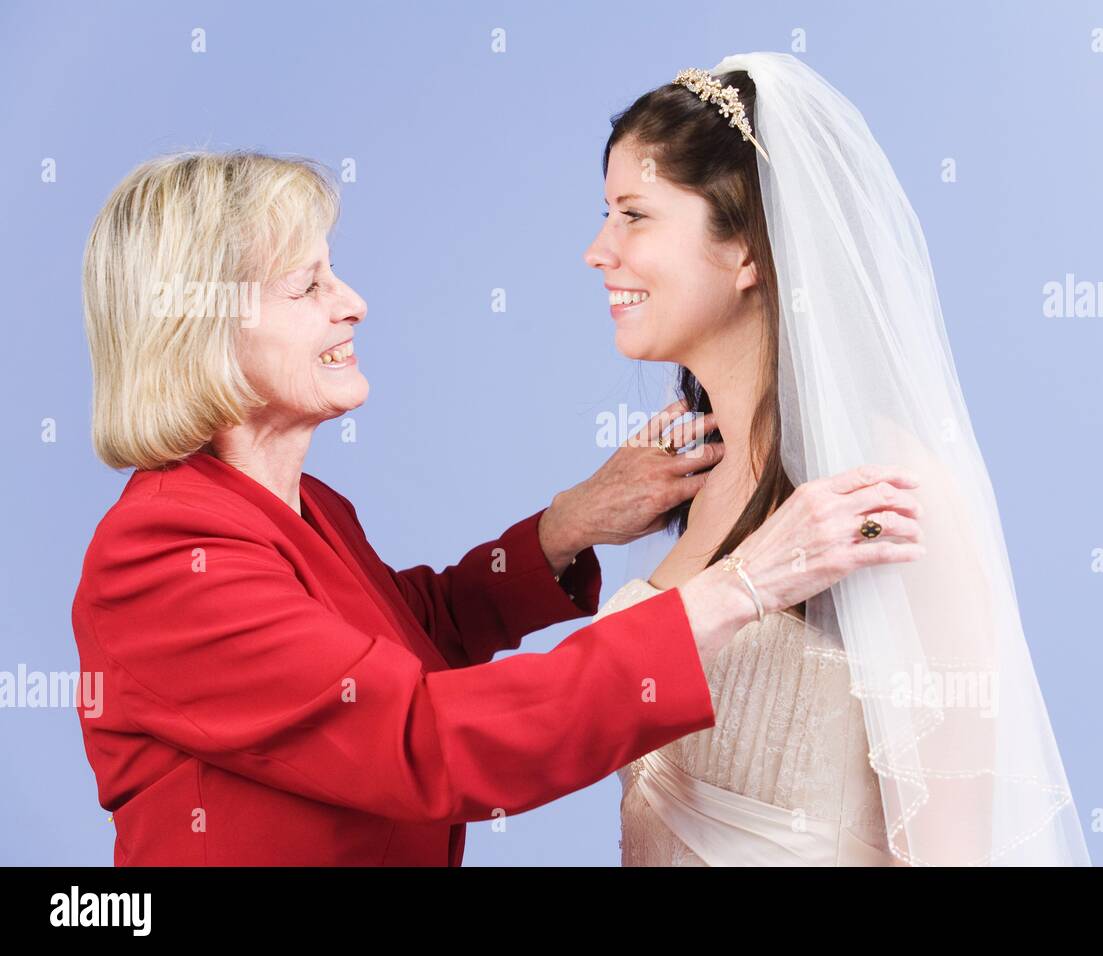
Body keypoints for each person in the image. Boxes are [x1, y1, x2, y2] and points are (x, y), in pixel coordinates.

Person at [72, 149, 926, 865]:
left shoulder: (302, 507)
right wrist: (741, 587)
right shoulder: (160, 554)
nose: (353, 303)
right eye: (309, 287)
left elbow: (406, 635)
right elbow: (422, 737)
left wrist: (566, 529)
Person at [584, 54, 1092, 866]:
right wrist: (561, 528)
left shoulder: (888, 491)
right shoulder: (693, 475)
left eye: (632, 215)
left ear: (746, 247)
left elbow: (954, 847)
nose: (597, 251)